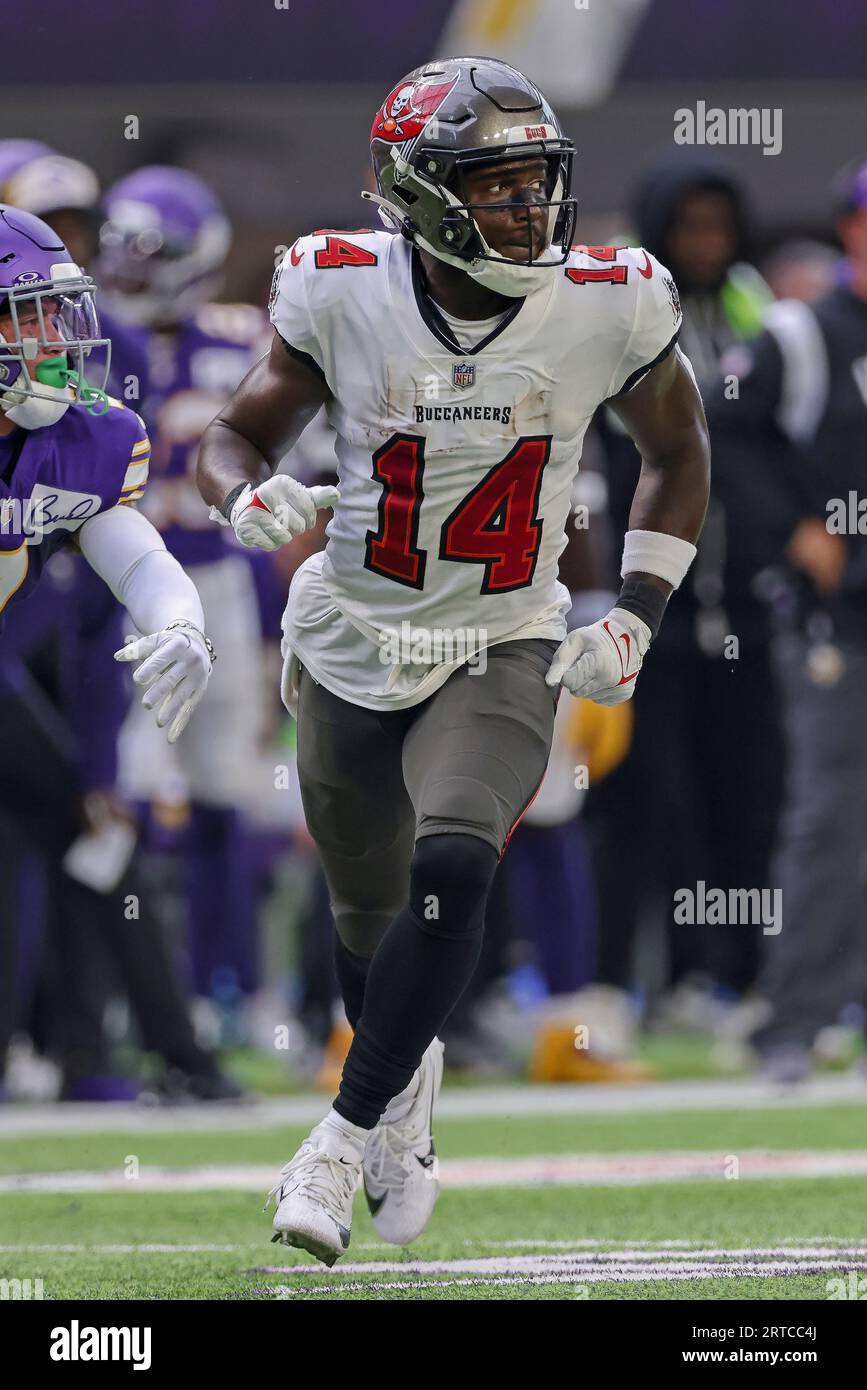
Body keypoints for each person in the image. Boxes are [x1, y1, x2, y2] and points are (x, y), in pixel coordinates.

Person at [197, 57, 710, 1265]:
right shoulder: (338, 289)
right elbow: (233, 433)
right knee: (371, 921)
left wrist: (635, 606)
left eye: (540, 180)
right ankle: (402, 1078)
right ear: (420, 196)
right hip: (352, 631)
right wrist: (243, 496)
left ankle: (340, 1134)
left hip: (501, 633)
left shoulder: (607, 299)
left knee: (456, 863)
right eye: (500, 185)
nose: (533, 208)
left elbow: (678, 452)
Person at [0, 205, 218, 1077]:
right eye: (29, 315)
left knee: (83, 834)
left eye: (61, 313)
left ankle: (119, 1052)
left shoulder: (81, 439)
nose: (55, 339)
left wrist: (180, 623)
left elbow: (134, 556)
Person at [706, 159, 867, 1081]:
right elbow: (724, 432)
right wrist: (793, 531)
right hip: (834, 618)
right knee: (828, 818)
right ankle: (793, 1025)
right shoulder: (799, 335)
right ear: (850, 230)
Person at [97, 167, 271, 1015]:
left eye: (146, 246)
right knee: (121, 788)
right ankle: (123, 997)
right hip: (116, 587)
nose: (124, 262)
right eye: (117, 242)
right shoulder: (82, 337)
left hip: (218, 584)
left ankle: (221, 990)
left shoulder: (242, 341)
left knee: (222, 794)